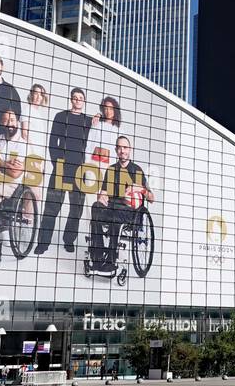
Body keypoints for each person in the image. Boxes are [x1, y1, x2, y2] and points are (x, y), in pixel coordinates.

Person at [86, 137, 155, 276]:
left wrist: (140, 189)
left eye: (125, 148)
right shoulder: (111, 170)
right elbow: (103, 192)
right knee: (96, 206)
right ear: (116, 150)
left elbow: (152, 198)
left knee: (115, 214)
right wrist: (102, 198)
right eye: (120, 147)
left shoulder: (137, 170)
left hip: (130, 212)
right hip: (112, 208)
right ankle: (98, 259)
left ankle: (111, 262)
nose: (122, 150)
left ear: (130, 150)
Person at [35, 88, 92, 255]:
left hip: (80, 169)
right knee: (51, 206)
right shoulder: (61, 117)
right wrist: (57, 162)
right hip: (61, 167)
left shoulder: (88, 121)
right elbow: (53, 141)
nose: (77, 100)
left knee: (76, 208)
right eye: (75, 98)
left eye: (81, 98)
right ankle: (43, 243)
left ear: (84, 101)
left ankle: (69, 240)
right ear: (71, 100)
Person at [90, 96, 130, 166]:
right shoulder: (97, 124)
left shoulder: (119, 131)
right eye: (106, 108)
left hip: (111, 165)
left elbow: (121, 151)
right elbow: (90, 143)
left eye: (111, 109)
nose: (108, 111)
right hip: (94, 163)